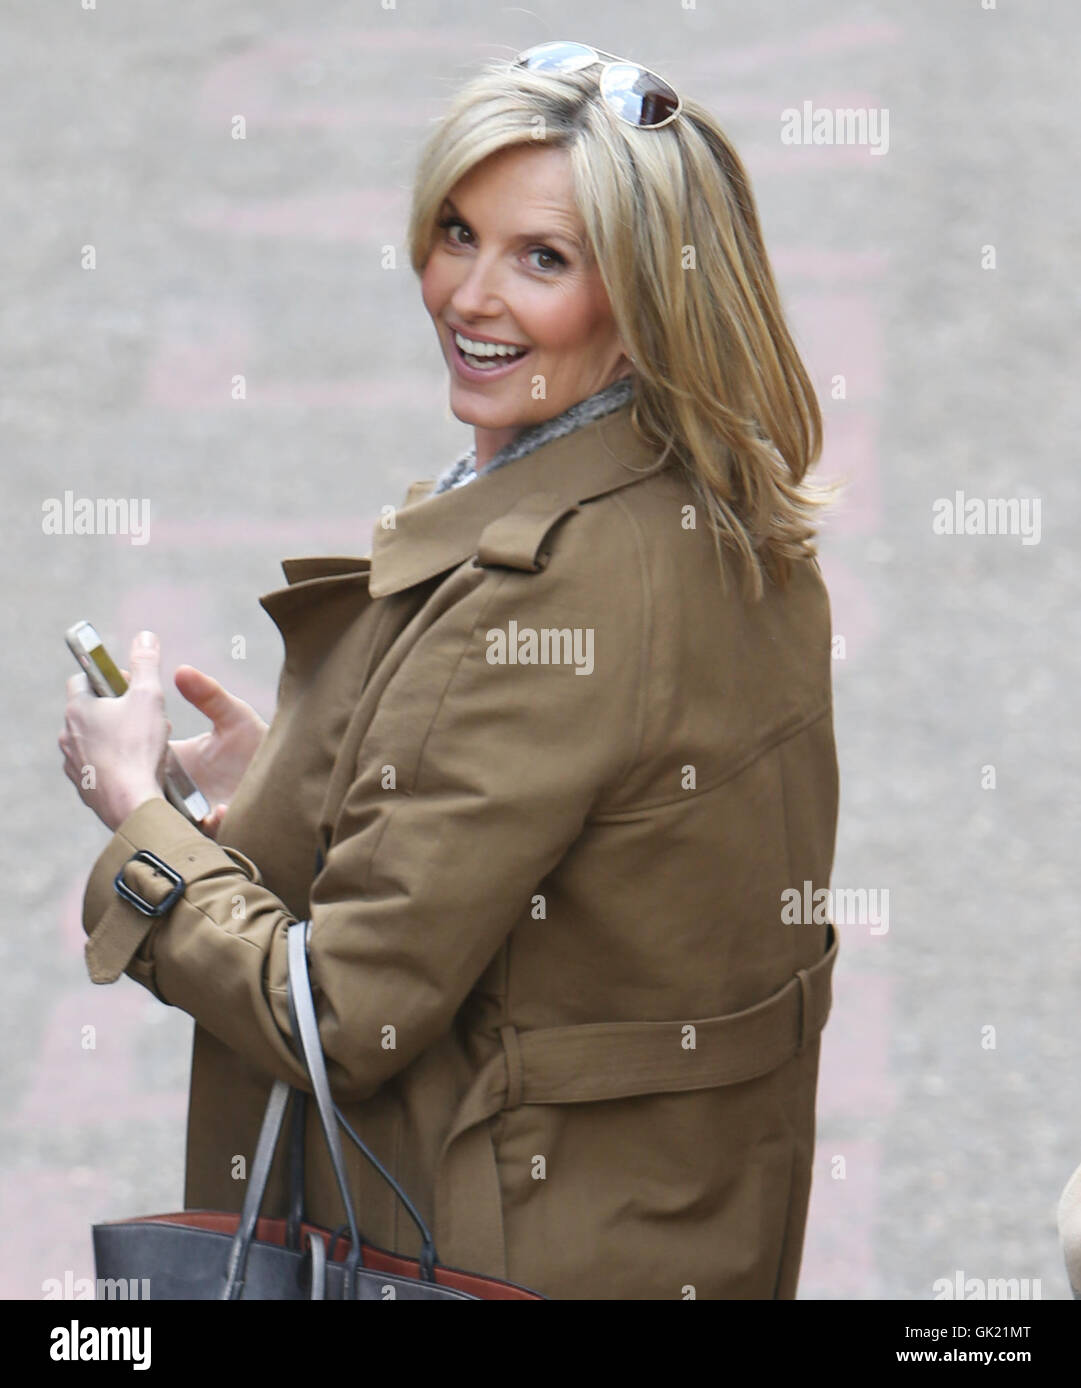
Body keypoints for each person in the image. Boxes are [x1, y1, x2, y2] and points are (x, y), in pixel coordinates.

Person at [60, 40, 840, 1299]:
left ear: (645, 296)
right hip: (677, 1227)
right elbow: (583, 859)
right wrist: (296, 791)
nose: (469, 296)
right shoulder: (730, 508)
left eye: (544, 259)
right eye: (455, 232)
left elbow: (338, 1016)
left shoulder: (544, 592)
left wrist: (142, 829)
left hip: (486, 1258)